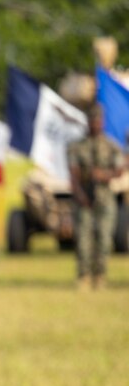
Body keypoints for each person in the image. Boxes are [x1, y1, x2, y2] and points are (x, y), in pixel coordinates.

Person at [68, 103, 125, 291]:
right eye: (92, 120)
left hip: (105, 198)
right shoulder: (76, 146)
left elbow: (120, 169)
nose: (95, 123)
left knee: (104, 238)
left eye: (98, 120)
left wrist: (103, 175)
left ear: (102, 122)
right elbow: (73, 174)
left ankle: (100, 275)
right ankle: (83, 276)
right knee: (83, 239)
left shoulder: (111, 146)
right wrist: (80, 196)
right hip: (83, 197)